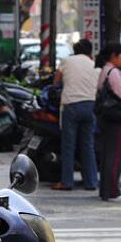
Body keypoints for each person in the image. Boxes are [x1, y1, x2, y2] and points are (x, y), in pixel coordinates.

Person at [51, 38, 99, 191]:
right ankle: (91, 182)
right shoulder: (94, 65)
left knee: (68, 146)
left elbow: (56, 82)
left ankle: (67, 182)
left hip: (71, 106)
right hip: (90, 106)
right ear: (90, 52)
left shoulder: (67, 61)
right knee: (88, 145)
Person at [95, 42, 121, 203]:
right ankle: (113, 191)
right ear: (114, 56)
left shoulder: (105, 70)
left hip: (106, 117)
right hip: (116, 118)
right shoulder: (113, 72)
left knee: (108, 153)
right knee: (116, 154)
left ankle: (106, 190)